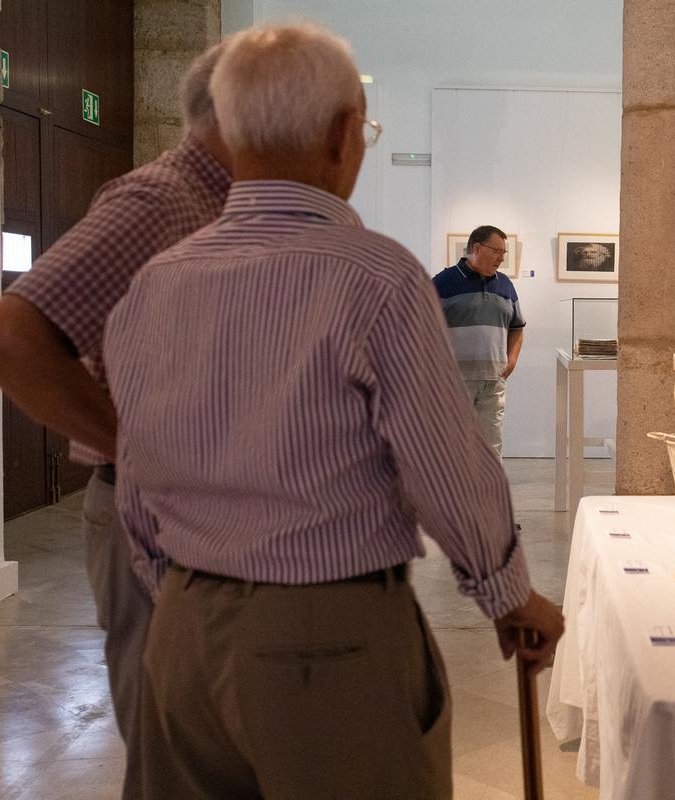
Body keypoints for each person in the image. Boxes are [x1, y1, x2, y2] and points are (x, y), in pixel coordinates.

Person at [101, 24, 563, 798]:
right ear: (345, 132)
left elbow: (134, 462)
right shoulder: (375, 275)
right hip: (323, 637)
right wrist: (508, 592)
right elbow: (444, 462)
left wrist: (177, 592)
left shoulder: (159, 280)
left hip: (183, 627)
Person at [0, 43, 233, 799]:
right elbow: (8, 339)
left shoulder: (220, 206)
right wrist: (140, 447)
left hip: (198, 511)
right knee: (171, 741)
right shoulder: (158, 201)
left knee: (205, 735)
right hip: (146, 509)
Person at [433, 226, 524, 456]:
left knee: (491, 448)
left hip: (493, 382)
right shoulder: (443, 282)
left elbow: (517, 327)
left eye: (504, 253)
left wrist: (511, 361)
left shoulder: (505, 285)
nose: (502, 258)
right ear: (476, 248)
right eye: (497, 251)